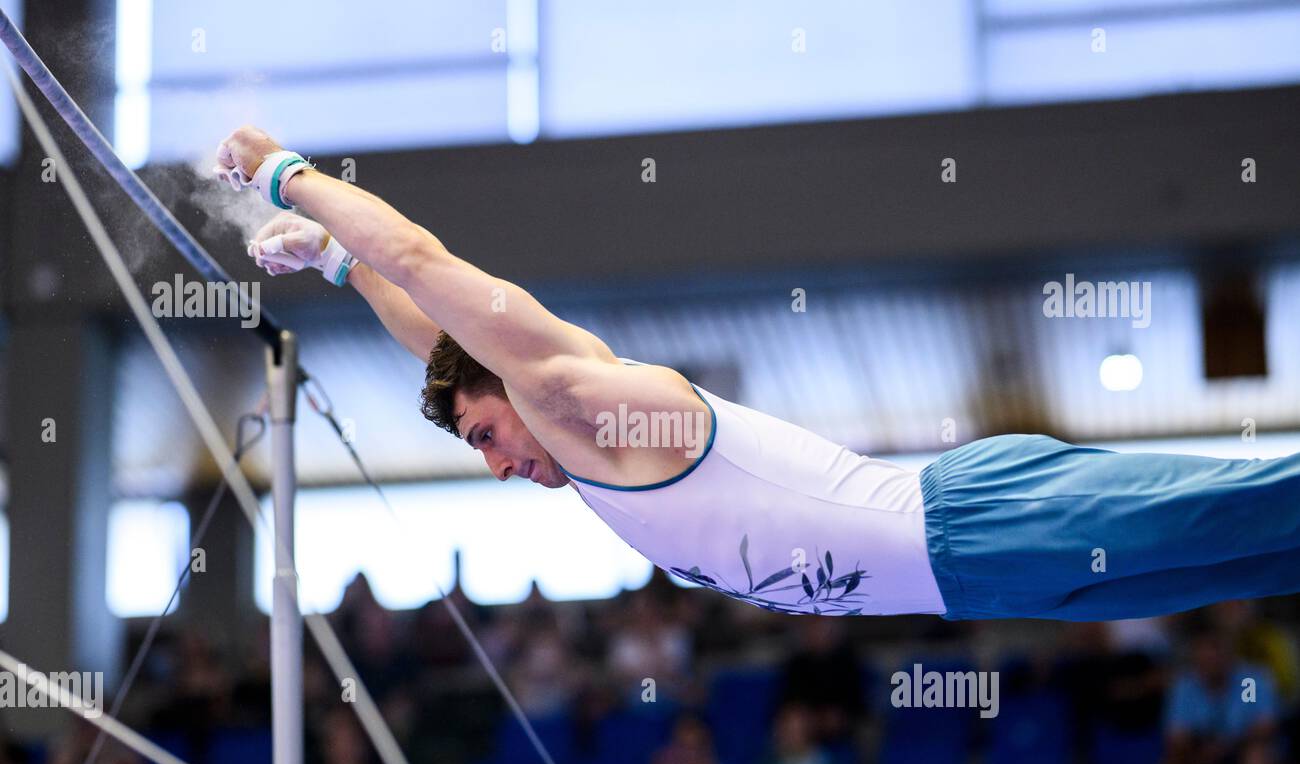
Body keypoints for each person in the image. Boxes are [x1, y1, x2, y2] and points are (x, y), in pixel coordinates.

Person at [215, 127, 1300, 621]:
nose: (493, 462)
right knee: (1273, 558)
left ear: (515, 392)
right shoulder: (554, 441)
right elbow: (427, 328)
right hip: (984, 584)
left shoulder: (575, 401)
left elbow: (427, 265)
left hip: (977, 522)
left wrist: (288, 177)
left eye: (485, 438)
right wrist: (337, 263)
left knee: (1258, 505)